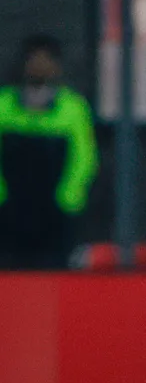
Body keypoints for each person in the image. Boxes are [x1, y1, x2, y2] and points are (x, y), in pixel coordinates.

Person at [0, 34, 99, 269]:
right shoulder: (4, 105)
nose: (39, 67)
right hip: (10, 209)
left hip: (56, 210)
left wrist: (68, 197)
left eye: (46, 61)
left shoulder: (72, 108)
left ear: (56, 67)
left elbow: (84, 157)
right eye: (34, 61)